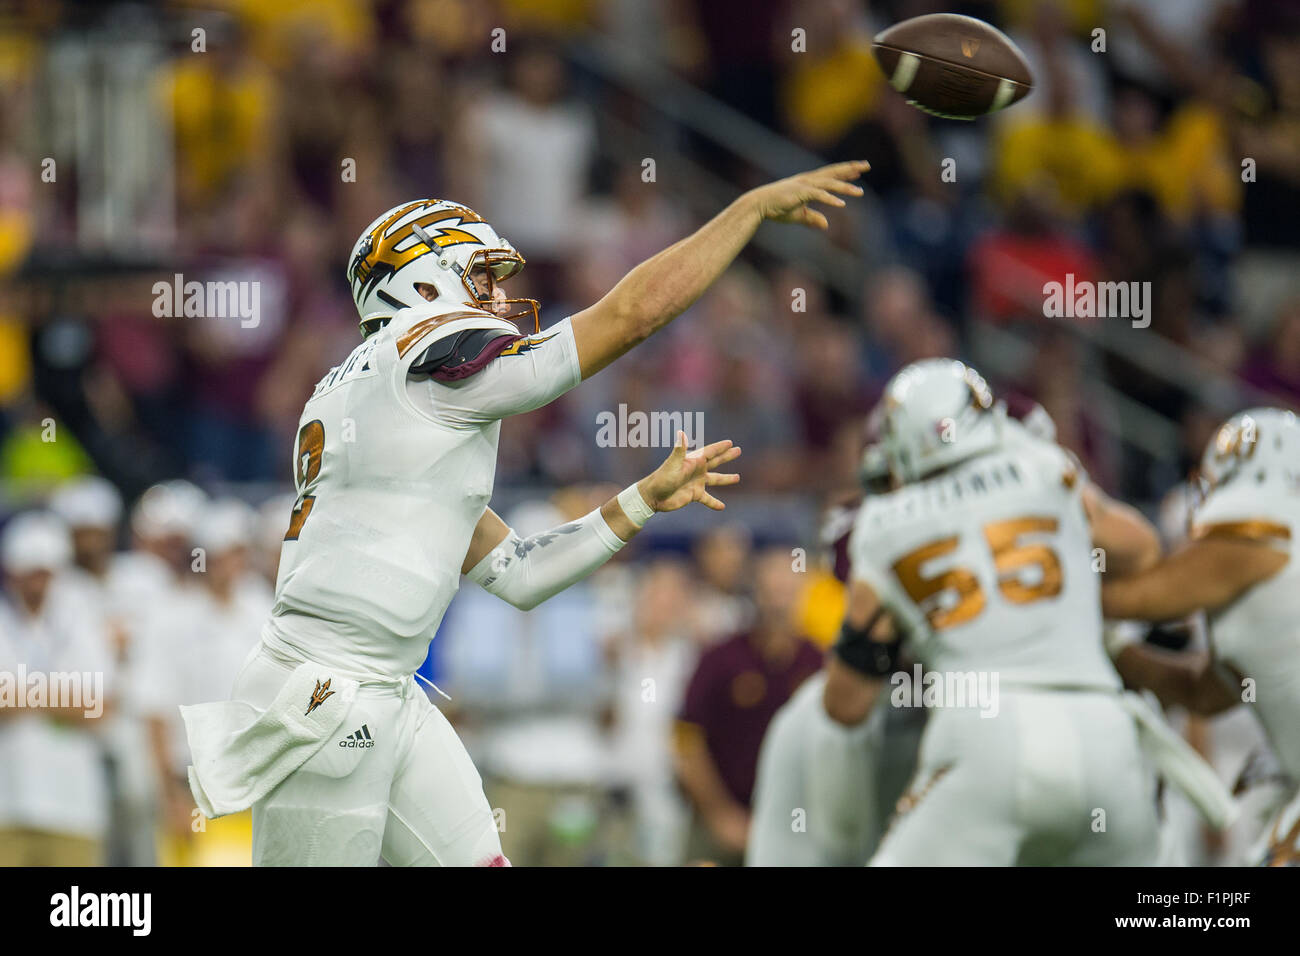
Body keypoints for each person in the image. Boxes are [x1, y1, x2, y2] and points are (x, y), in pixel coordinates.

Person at [183, 162, 870, 866]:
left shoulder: (378, 399)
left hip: (384, 689)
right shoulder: (420, 352)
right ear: (421, 286)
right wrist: (745, 213)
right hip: (327, 693)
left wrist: (641, 499)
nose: (501, 298)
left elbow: (517, 574)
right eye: (481, 277)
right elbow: (631, 316)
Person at [822, 358, 1174, 865]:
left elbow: (845, 704)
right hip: (1106, 736)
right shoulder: (1043, 469)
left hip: (988, 739)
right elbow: (1141, 548)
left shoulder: (880, 525)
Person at [1102, 408, 1300, 866]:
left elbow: (1146, 596)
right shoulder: (1277, 582)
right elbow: (1201, 690)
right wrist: (1115, 651)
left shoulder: (1264, 531)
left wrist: (1055, 593)